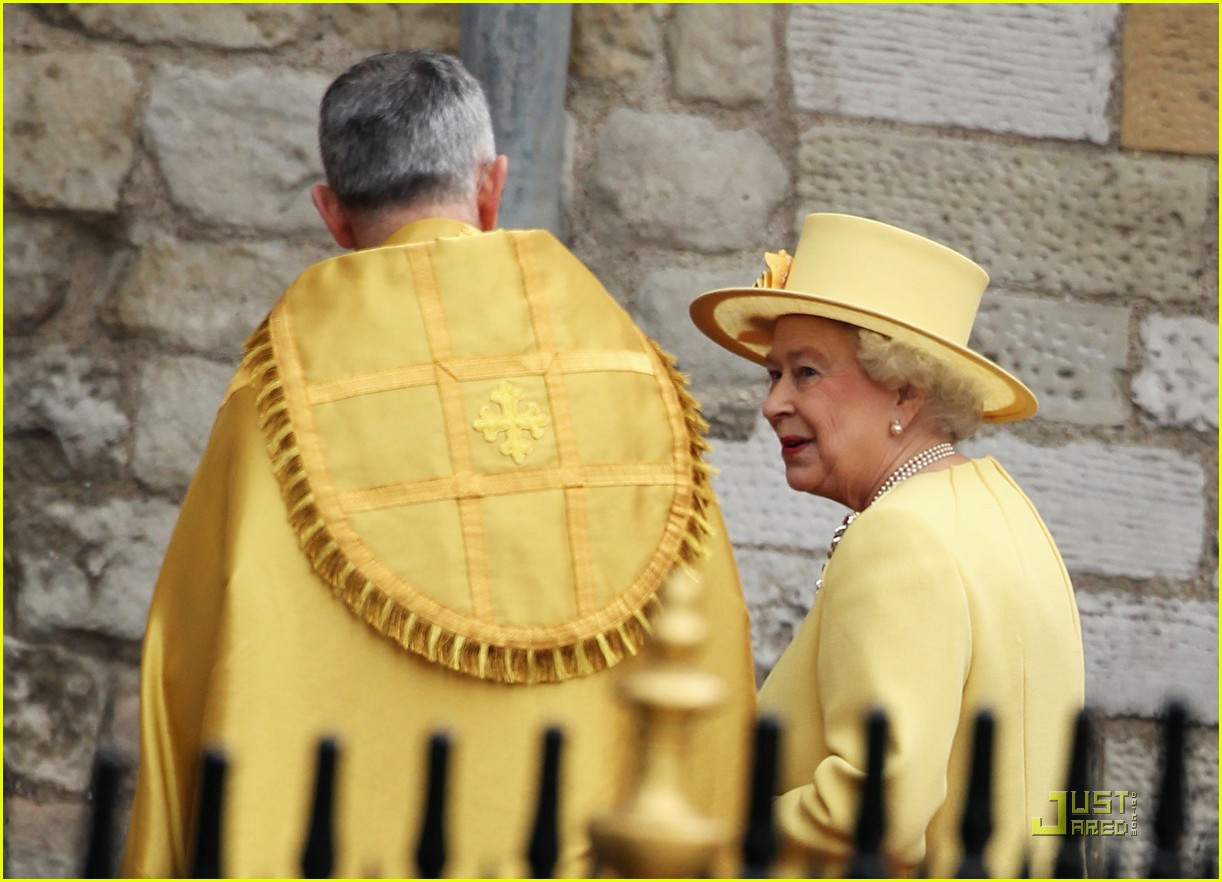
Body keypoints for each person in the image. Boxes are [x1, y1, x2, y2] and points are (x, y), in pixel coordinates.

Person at [121, 50, 756, 878]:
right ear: (491, 186)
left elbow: (196, 655)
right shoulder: (629, 370)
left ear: (332, 214)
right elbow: (707, 644)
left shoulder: (277, 394)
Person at [689, 213, 1085, 878]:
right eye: (773, 375)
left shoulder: (902, 538)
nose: (773, 404)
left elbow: (875, 815)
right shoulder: (1003, 510)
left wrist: (706, 841)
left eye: (806, 373)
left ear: (905, 389)